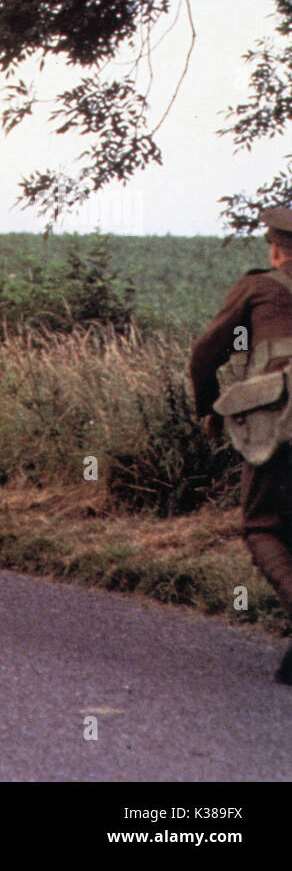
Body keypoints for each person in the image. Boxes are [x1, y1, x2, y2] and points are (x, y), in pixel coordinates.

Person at [189, 207, 292, 684]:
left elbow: (206, 352)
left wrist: (209, 406)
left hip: (279, 426)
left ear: (276, 250)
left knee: (261, 523)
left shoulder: (259, 288)